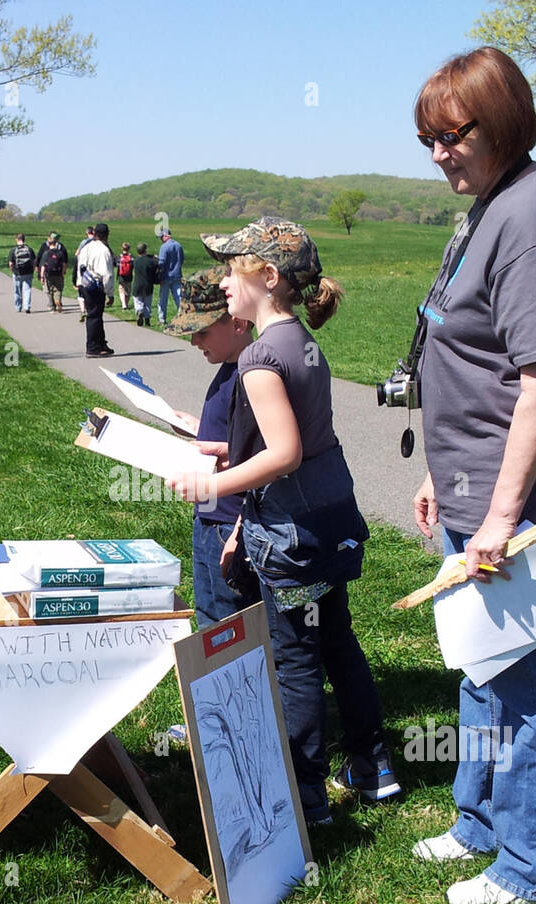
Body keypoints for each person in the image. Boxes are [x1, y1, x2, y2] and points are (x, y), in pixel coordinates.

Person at [407, 47, 536, 904]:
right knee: (479, 667)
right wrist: (447, 484)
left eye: (454, 134)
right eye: (428, 140)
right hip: (472, 488)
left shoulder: (533, 215)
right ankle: (480, 824)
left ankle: (534, 870)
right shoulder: (489, 205)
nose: (441, 153)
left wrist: (499, 513)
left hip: (514, 504)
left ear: (505, 120)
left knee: (520, 678)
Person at [167, 218, 400, 826]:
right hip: (327, 522)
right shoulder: (301, 342)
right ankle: (371, 771)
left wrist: (213, 483)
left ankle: (306, 800)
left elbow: (285, 453)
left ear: (266, 278)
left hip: (291, 539)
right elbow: (302, 440)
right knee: (335, 640)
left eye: (231, 269)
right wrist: (227, 451)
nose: (221, 282)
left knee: (294, 659)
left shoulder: (260, 358)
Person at [164, 268, 260, 628]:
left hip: (229, 520)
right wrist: (195, 425)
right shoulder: (229, 368)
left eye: (202, 332)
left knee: (228, 624)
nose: (194, 342)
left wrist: (237, 531)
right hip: (209, 516)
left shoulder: (252, 377)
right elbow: (234, 438)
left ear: (237, 323)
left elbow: (263, 460)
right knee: (209, 618)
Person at [77, 222, 114, 358]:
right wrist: (110, 293)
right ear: (106, 234)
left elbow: (80, 265)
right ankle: (92, 347)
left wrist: (78, 283)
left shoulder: (86, 247)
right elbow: (107, 274)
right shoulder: (104, 250)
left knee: (97, 316)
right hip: (96, 286)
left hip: (84, 283)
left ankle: (101, 344)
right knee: (94, 316)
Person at [157, 228, 185, 325]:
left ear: (166, 236)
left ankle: (162, 319)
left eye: (161, 237)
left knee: (163, 299)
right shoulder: (178, 245)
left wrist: (159, 275)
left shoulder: (164, 247)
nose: (160, 239)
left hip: (165, 276)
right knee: (179, 298)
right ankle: (182, 316)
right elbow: (181, 260)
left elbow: (161, 263)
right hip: (177, 275)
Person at [38, 231, 68, 313]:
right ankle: (58, 301)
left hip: (48, 274)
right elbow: (64, 263)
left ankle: (52, 306)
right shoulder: (60, 252)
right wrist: (63, 272)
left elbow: (43, 265)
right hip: (58, 273)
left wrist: (41, 276)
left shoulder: (46, 252)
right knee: (58, 289)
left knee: (49, 290)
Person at [8, 232, 36, 313]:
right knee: (27, 290)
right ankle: (27, 307)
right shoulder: (29, 249)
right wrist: (33, 270)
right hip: (28, 273)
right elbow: (34, 261)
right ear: (24, 239)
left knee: (17, 290)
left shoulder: (13, 250)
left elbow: (11, 263)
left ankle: (18, 307)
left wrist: (13, 270)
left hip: (17, 273)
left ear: (16, 239)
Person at [131, 241, 157, 326]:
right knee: (147, 303)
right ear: (146, 250)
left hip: (137, 284)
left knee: (138, 301)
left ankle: (139, 311)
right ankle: (147, 318)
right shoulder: (151, 262)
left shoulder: (135, 261)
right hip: (148, 285)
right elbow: (156, 265)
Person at [74, 225, 95, 320]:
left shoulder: (84, 242)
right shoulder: (97, 243)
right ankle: (91, 310)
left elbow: (76, 254)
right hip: (94, 269)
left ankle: (83, 310)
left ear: (87, 233)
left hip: (83, 270)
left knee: (81, 292)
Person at [116, 242, 134, 315]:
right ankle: (126, 303)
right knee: (128, 291)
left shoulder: (119, 258)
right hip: (129, 276)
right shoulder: (131, 258)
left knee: (121, 290)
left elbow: (117, 265)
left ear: (122, 248)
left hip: (121, 276)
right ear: (129, 249)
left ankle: (123, 305)